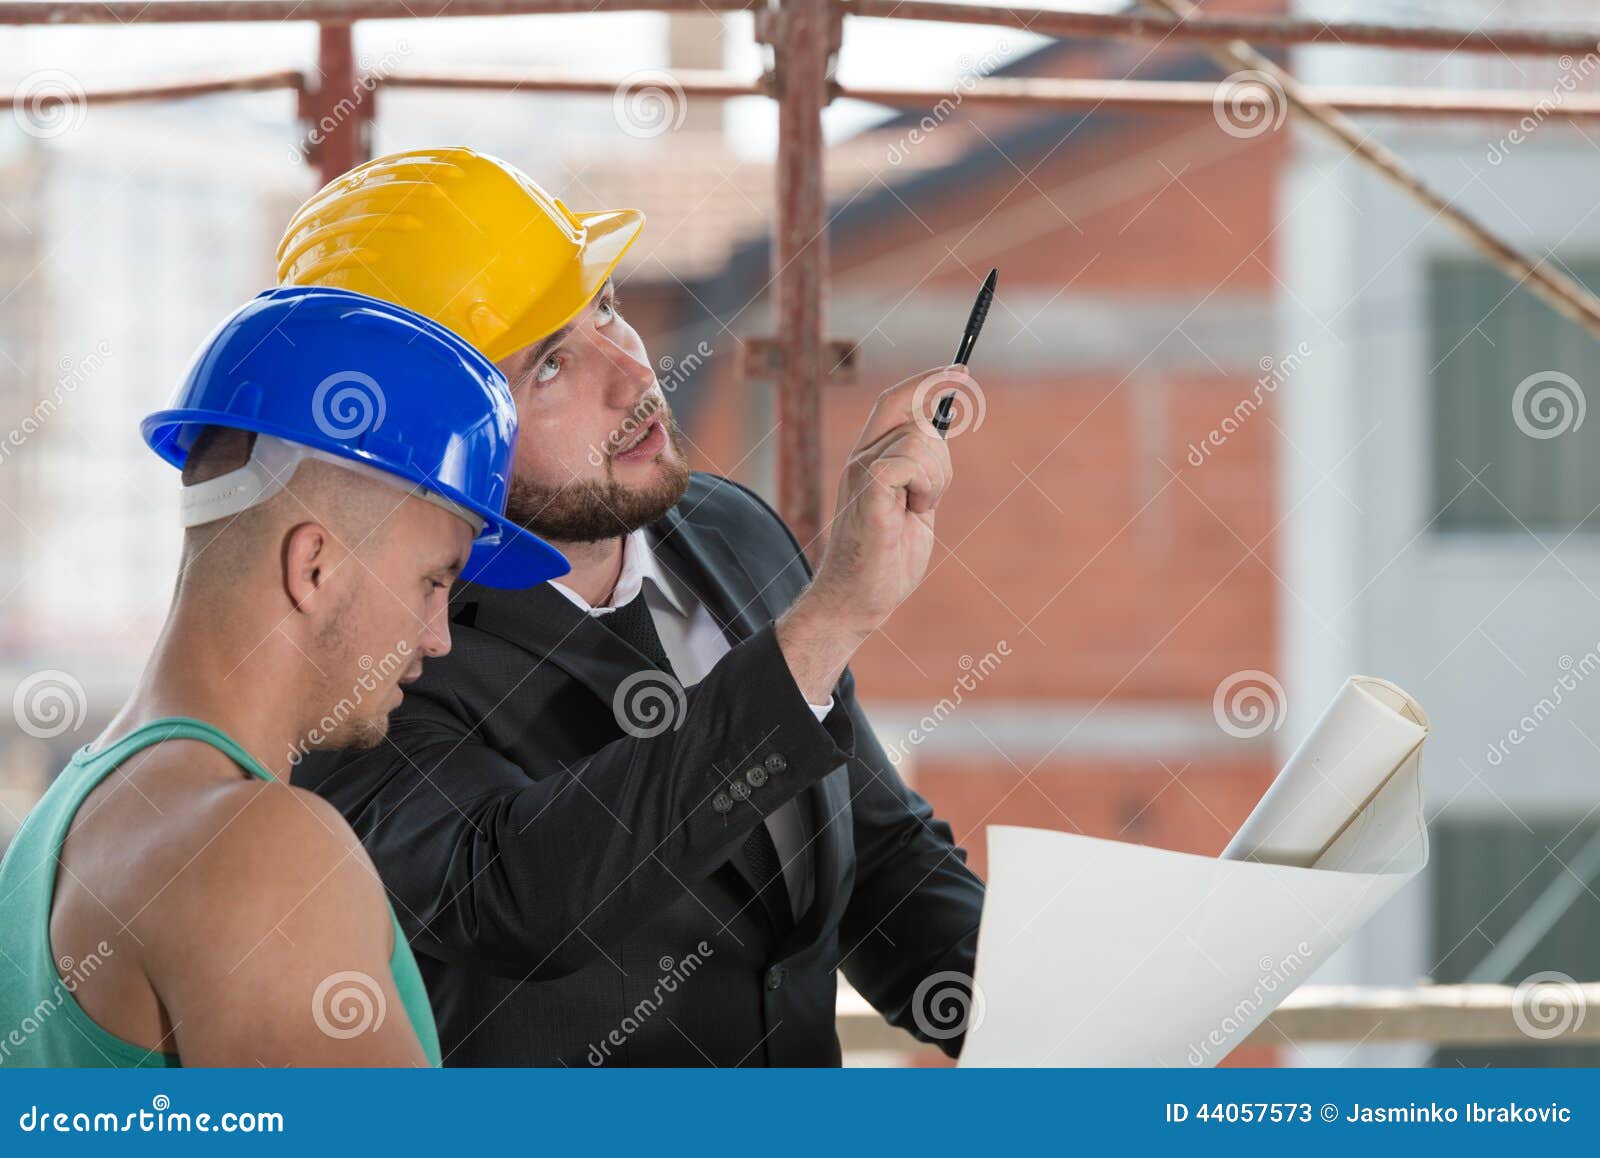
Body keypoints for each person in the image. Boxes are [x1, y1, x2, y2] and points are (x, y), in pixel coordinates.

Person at [284, 148, 986, 1066]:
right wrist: (827, 622)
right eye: (551, 366)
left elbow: (882, 859)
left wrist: (1081, 1032)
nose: (631, 372)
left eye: (607, 305)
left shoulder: (728, 530)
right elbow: (512, 896)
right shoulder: (377, 656)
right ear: (430, 440)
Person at [0, 286, 567, 1067]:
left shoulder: (59, 826)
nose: (439, 638)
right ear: (315, 563)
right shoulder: (262, 853)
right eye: (434, 581)